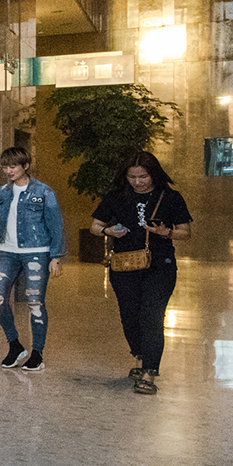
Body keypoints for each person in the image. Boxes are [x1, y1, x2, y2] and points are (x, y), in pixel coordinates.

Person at [89, 151, 192, 395]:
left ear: (153, 174)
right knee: (129, 316)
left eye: (143, 176)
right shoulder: (116, 197)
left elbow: (185, 232)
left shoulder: (171, 198)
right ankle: (141, 353)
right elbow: (94, 226)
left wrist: (166, 232)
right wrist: (108, 231)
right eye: (132, 177)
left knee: (152, 316)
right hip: (124, 266)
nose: (137, 182)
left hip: (160, 265)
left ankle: (149, 371)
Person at [0, 146, 66, 372]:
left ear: (25, 166)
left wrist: (56, 256)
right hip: (6, 251)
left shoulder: (44, 192)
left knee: (35, 302)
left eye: (13, 166)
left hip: (36, 251)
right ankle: (15, 345)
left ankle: (37, 354)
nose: (8, 171)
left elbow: (56, 225)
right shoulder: (1, 192)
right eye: (5, 167)